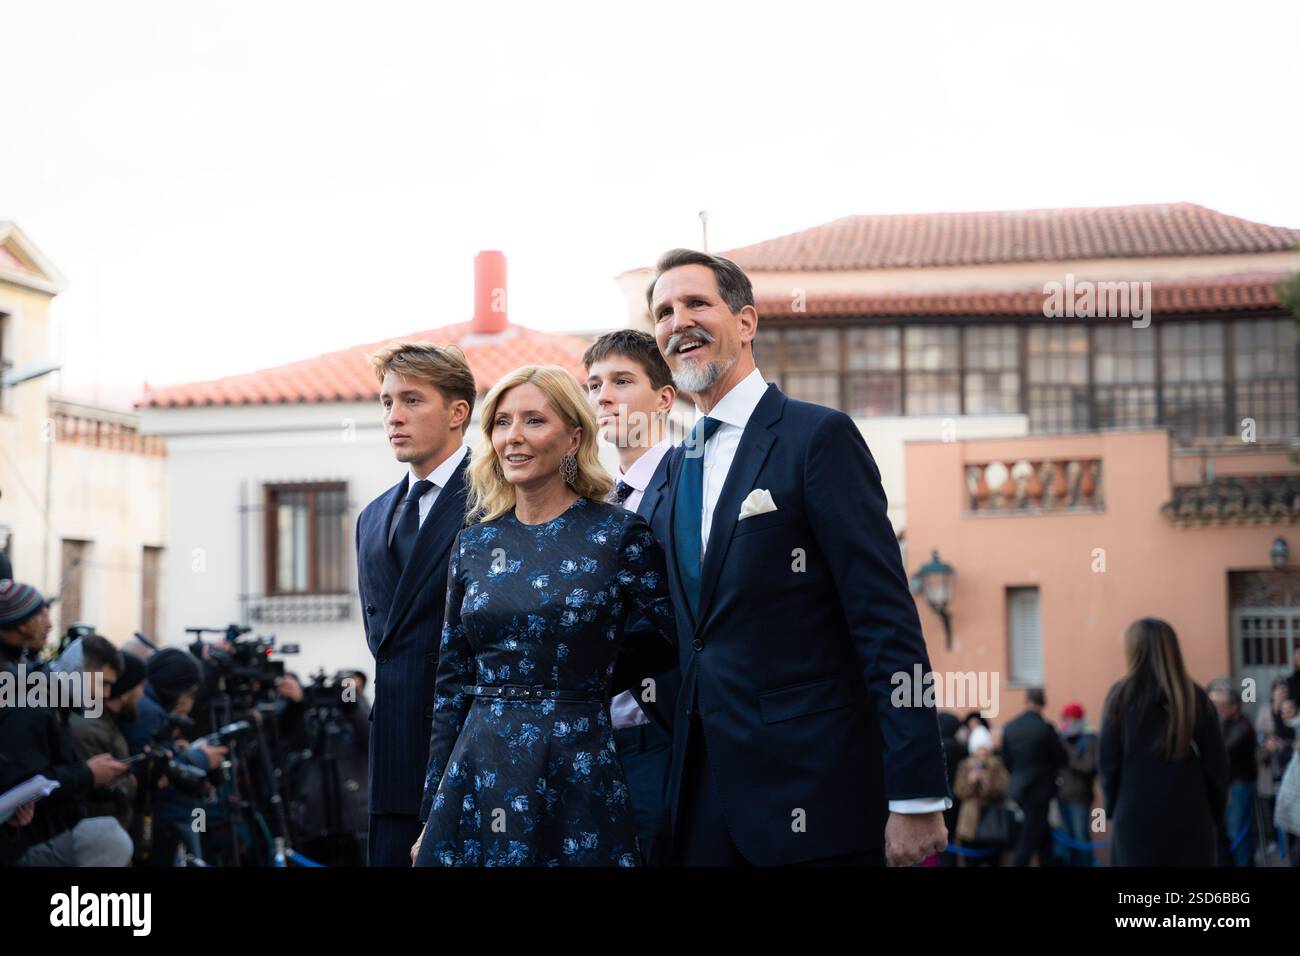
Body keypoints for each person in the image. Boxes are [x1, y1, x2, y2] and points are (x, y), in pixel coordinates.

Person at [646, 249, 950, 866]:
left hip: (817, 795)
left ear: (747, 322)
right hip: (701, 805)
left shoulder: (819, 437)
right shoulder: (677, 468)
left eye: (696, 303)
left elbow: (887, 621)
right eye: (663, 312)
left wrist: (917, 794)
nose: (678, 321)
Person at [411, 365, 675, 866]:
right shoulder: (473, 543)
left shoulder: (618, 535)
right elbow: (451, 683)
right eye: (502, 422)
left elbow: (677, 638)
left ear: (574, 437)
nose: (513, 436)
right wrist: (431, 812)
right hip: (477, 770)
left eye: (534, 420)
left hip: (577, 766)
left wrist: (589, 673)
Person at [355, 342, 475, 866]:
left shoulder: (498, 502)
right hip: (392, 760)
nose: (394, 417)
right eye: (385, 403)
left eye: (411, 400)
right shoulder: (371, 517)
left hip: (470, 759)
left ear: (457, 412)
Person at [583, 329, 680, 866]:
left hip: (664, 736)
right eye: (594, 384)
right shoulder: (589, 504)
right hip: (592, 743)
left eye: (622, 381)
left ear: (664, 397)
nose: (604, 396)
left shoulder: (695, 483)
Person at [0, 585, 132, 866]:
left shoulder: (35, 690)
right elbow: (25, 780)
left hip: (27, 836)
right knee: (108, 840)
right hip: (26, 844)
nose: (50, 623)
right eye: (42, 614)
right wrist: (86, 775)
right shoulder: (25, 698)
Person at [1098, 618, 1228, 866]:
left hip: (1134, 813)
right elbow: (1217, 767)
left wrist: (1114, 806)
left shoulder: (1120, 697)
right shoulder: (1194, 696)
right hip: (1190, 813)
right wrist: (1215, 813)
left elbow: (1107, 764)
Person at [119, 647, 225, 865]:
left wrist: (179, 751)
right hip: (164, 821)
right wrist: (201, 759)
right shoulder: (148, 712)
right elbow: (154, 767)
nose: (190, 703)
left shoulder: (149, 708)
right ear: (176, 687)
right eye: (190, 693)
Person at [69, 645, 146, 831]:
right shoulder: (90, 728)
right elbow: (96, 791)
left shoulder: (108, 723)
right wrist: (130, 783)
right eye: (141, 686)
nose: (106, 693)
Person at [1000, 687, 1067, 866]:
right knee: (1029, 837)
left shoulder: (1010, 727)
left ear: (1026, 700)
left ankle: (1048, 861)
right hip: (1041, 790)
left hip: (1018, 788)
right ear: (1043, 703)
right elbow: (1061, 758)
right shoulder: (1046, 728)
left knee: (1042, 834)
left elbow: (1006, 760)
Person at [1209, 677, 1257, 865]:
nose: (1218, 709)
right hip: (1228, 782)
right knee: (1224, 830)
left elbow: (1224, 749)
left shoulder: (1244, 726)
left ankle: (1244, 863)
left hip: (1241, 783)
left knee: (1236, 830)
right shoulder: (1224, 722)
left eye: (1221, 705)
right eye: (1215, 704)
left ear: (1234, 706)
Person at [952, 725, 1009, 867]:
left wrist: (985, 781)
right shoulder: (965, 765)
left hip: (992, 819)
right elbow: (959, 791)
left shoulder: (996, 765)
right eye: (979, 747)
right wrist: (971, 782)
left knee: (994, 859)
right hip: (970, 820)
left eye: (984, 747)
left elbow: (1003, 789)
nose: (982, 752)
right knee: (971, 859)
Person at [1056, 701, 1098, 866]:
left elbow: (1089, 767)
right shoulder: (1062, 739)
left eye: (1069, 719)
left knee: (1080, 836)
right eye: (1064, 719)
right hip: (1062, 795)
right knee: (1067, 837)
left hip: (1080, 797)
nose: (1066, 722)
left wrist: (1067, 759)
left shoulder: (1089, 739)